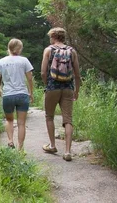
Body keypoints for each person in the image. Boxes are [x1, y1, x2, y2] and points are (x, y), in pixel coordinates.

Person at [40, 27, 82, 161]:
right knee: (68, 120)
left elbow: (42, 72)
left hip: (53, 87)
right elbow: (77, 74)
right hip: (68, 88)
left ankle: (52, 145)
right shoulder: (72, 51)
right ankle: (68, 152)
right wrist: (77, 90)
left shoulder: (48, 50)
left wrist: (47, 84)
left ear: (53, 37)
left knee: (49, 116)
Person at [0, 38, 35, 150]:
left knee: (9, 120)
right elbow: (30, 78)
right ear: (19, 48)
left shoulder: (2, 61)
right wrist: (30, 92)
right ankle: (20, 148)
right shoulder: (24, 60)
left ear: (9, 48)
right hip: (22, 94)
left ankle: (10, 140)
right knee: (21, 123)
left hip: (8, 95)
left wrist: (0, 91)